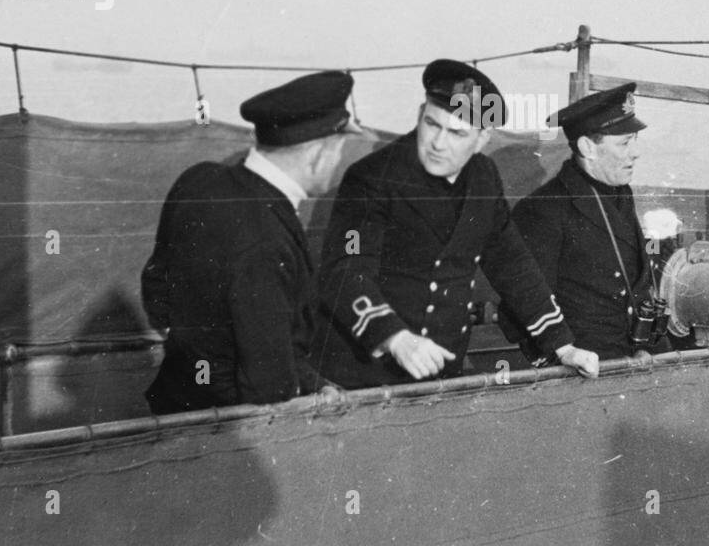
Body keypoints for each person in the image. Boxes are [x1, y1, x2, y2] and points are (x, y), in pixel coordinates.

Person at [312, 59, 599, 387]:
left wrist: (562, 346)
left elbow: (512, 263)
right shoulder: (371, 178)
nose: (438, 143)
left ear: (481, 139)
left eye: (457, 133)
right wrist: (394, 337)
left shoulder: (483, 177)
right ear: (420, 114)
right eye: (432, 124)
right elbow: (347, 268)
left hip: (441, 372)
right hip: (366, 372)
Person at [142, 70, 359, 414]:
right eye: (338, 151)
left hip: (173, 401)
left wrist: (200, 349)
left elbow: (155, 289)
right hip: (227, 438)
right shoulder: (269, 242)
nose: (337, 163)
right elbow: (269, 386)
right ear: (316, 154)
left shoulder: (199, 180)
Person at [508, 83, 657, 360]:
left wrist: (644, 347)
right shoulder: (543, 209)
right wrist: (560, 361)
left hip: (630, 359)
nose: (636, 152)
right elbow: (522, 308)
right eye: (625, 143)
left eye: (634, 140)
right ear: (588, 147)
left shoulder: (620, 192)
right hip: (581, 370)